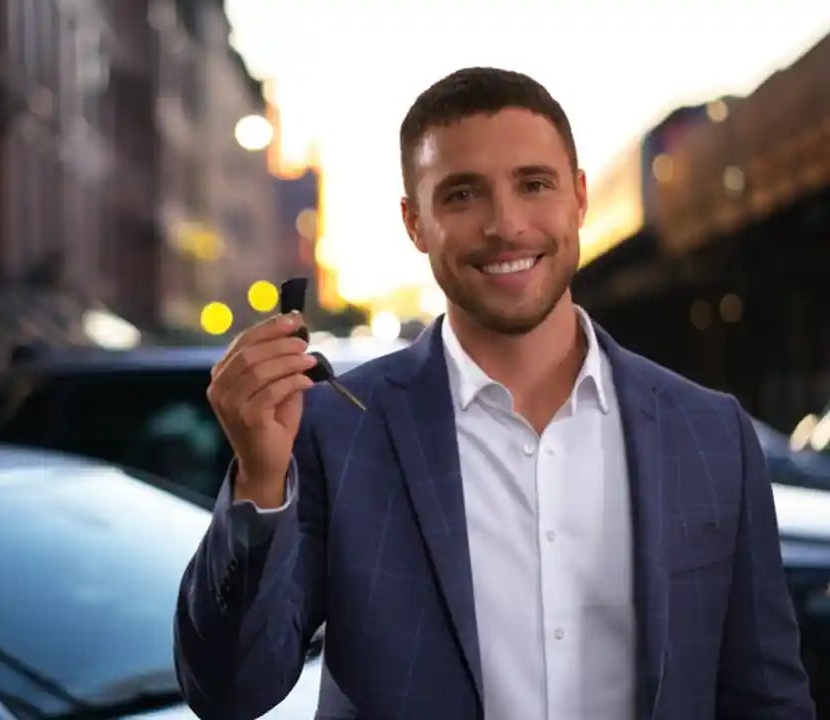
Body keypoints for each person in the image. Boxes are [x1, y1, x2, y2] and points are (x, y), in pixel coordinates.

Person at [173, 67, 814, 719]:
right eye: (461, 195)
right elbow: (229, 692)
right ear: (414, 223)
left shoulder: (710, 434)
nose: (506, 225)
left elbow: (765, 698)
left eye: (534, 185)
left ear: (579, 198)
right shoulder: (336, 430)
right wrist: (258, 478)